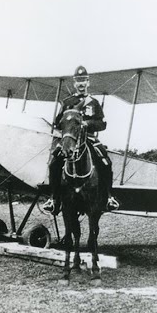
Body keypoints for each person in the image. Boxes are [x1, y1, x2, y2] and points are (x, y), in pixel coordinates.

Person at [41, 65, 120, 215]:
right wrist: (69, 124)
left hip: (89, 139)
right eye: (78, 80)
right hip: (70, 139)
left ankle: (109, 197)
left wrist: (87, 124)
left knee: (106, 162)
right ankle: (53, 199)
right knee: (53, 163)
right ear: (74, 83)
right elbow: (58, 122)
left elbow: (102, 124)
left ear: (88, 82)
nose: (81, 83)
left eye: (84, 80)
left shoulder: (93, 102)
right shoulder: (67, 101)